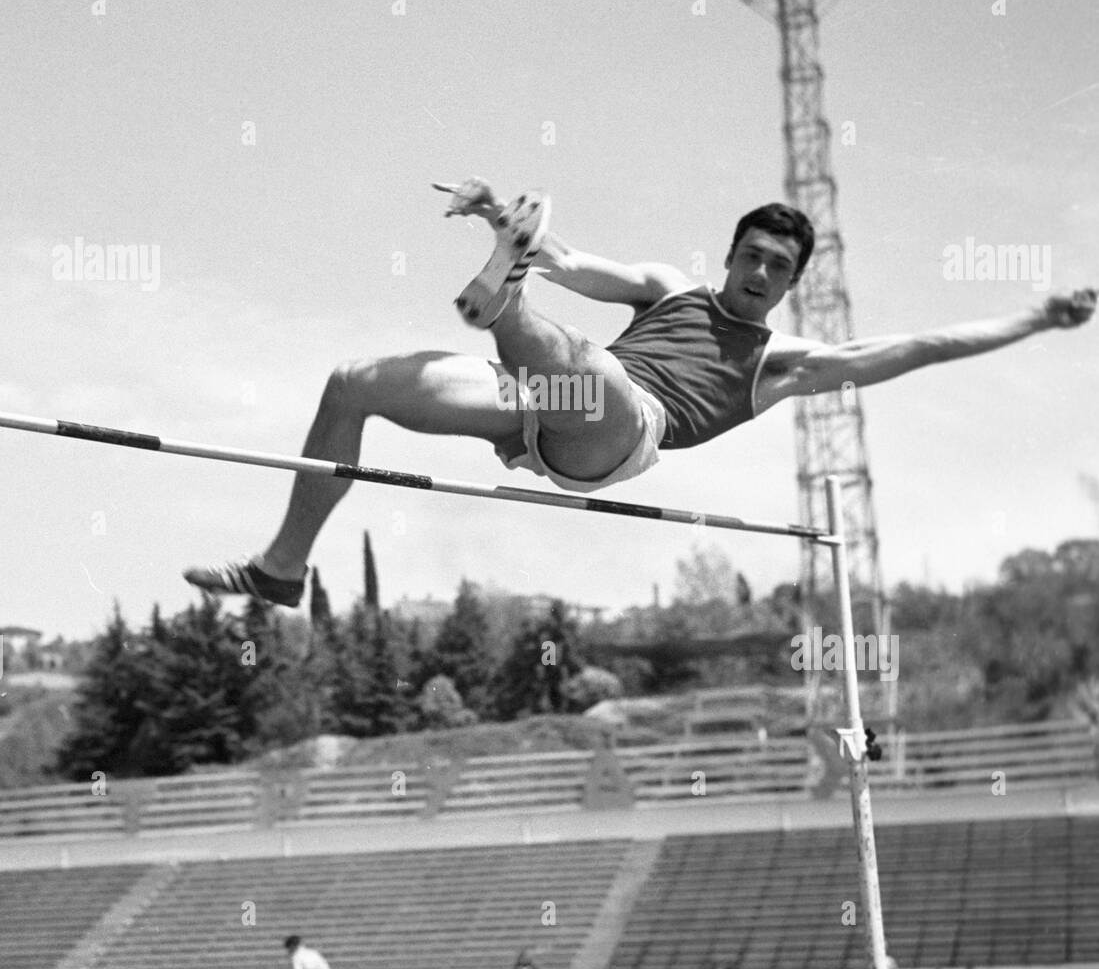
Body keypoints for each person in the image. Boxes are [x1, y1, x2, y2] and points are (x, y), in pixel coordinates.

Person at [183, 179, 1097, 606]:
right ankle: (281, 569)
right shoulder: (667, 287)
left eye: (777, 268)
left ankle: (505, 297)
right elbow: (574, 260)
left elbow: (917, 349)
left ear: (790, 283)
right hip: (533, 397)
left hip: (620, 429)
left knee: (591, 370)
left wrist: (1032, 319)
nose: (758, 274)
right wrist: (507, 217)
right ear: (729, 254)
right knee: (351, 385)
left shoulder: (781, 361)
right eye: (750, 256)